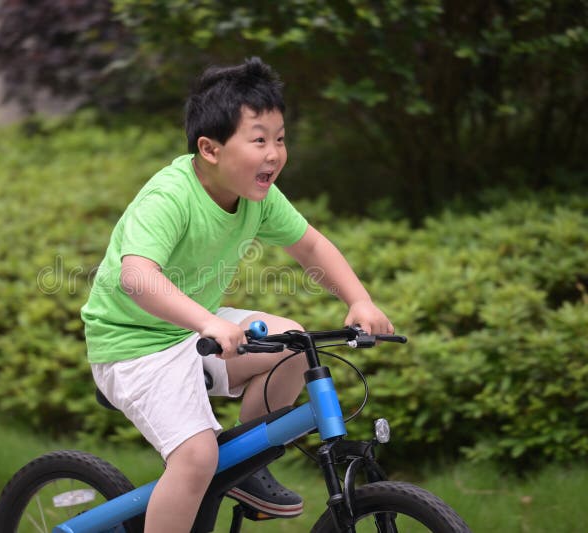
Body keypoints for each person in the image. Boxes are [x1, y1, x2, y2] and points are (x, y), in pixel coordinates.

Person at [80, 57, 394, 532]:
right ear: (210, 149)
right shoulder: (170, 197)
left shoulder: (256, 196)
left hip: (193, 328)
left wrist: (359, 300)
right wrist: (208, 323)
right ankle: (214, 470)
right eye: (259, 139)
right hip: (133, 346)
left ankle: (249, 468)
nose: (274, 153)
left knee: (292, 343)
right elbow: (137, 277)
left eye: (280, 138)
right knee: (196, 456)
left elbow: (309, 244)